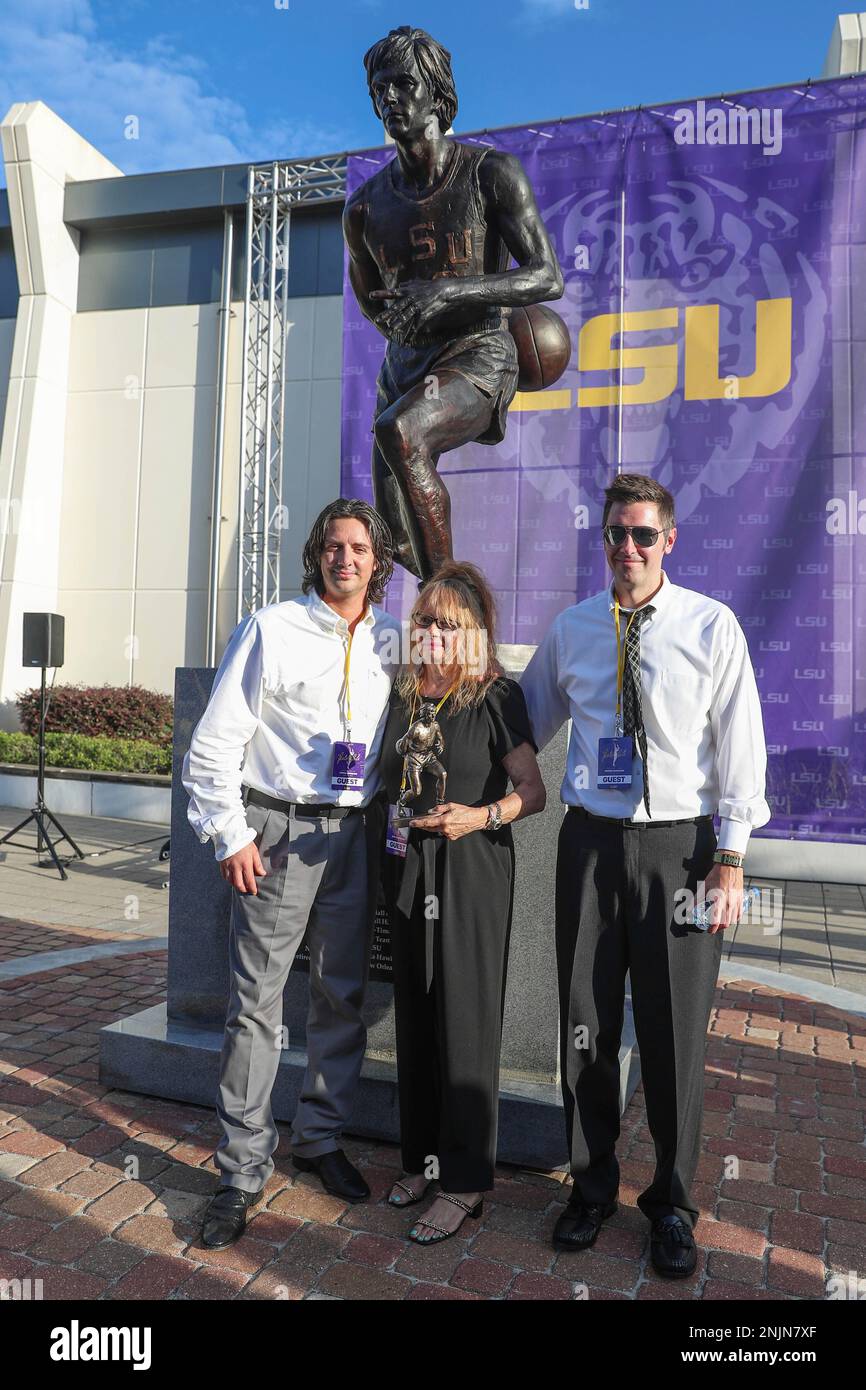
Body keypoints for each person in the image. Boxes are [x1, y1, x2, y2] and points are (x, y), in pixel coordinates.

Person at [521, 473, 770, 1278]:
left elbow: (740, 749)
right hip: (590, 847)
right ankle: (591, 1190)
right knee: (585, 1024)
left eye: (643, 536)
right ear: (602, 539)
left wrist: (731, 858)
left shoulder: (710, 626)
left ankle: (671, 1204)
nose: (627, 549)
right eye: (616, 535)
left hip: (684, 854)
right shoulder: (572, 630)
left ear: (669, 541)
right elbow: (524, 722)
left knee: (672, 1039)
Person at [181, 499, 400, 1249]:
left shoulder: (390, 644)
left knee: (342, 995)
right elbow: (211, 747)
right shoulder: (271, 628)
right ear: (317, 556)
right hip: (277, 833)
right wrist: (231, 837)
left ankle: (320, 1138)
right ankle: (241, 1171)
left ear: (379, 561)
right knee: (257, 1003)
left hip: (356, 834)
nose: (347, 558)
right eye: (334, 546)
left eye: (361, 548)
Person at [343, 24, 564, 580]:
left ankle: (452, 608)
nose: (387, 98)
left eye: (401, 84)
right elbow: (370, 296)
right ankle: (449, 612)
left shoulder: (491, 173)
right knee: (392, 538)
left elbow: (546, 276)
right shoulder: (364, 208)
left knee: (402, 432)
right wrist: (401, 318)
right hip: (405, 366)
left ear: (438, 94)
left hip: (477, 349)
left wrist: (448, 294)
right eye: (377, 89)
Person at [377, 561, 546, 1243]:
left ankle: (468, 1182)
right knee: (415, 1018)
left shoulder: (496, 696)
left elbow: (533, 793)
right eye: (424, 621)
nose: (432, 634)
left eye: (446, 624)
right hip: (409, 869)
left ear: (473, 632)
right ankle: (421, 1159)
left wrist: (478, 818)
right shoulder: (403, 692)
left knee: (465, 1024)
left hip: (472, 872)